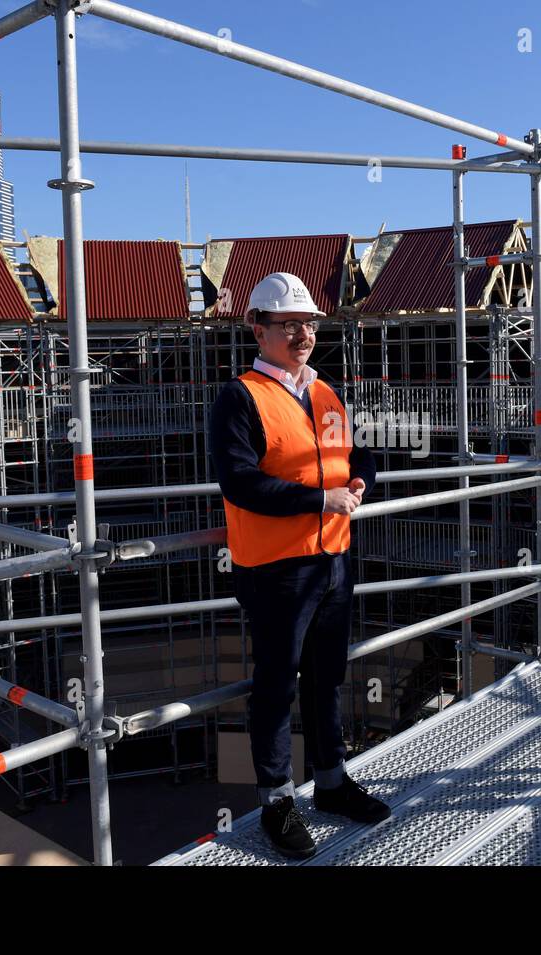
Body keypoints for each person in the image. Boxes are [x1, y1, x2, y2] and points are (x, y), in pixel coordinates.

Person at [208, 271, 391, 859]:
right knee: (276, 683)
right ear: (258, 331)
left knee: (326, 677)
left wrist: (360, 478)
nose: (302, 333)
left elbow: (352, 452)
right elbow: (240, 483)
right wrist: (319, 499)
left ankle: (332, 782)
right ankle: (277, 800)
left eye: (308, 323)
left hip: (332, 559)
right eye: (288, 325)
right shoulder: (241, 397)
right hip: (276, 568)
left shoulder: (324, 392)